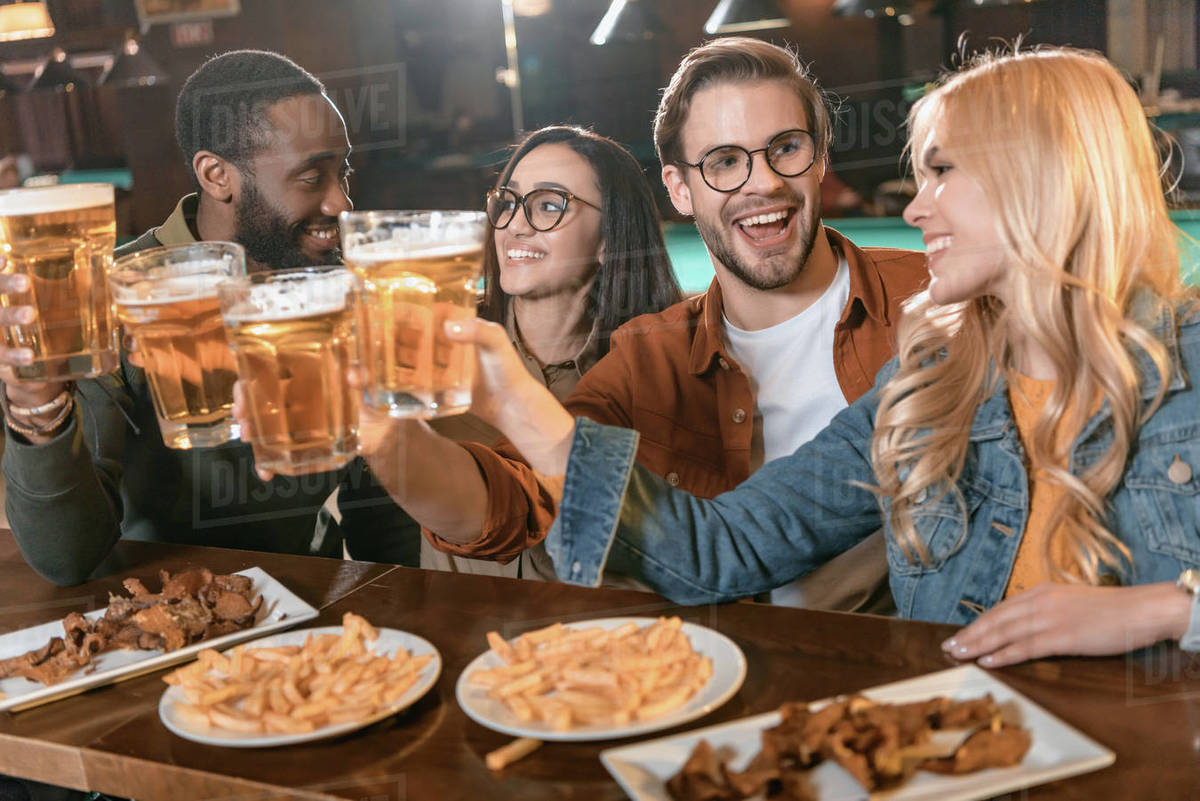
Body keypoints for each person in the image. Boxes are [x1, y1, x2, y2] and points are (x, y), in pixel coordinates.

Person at [462, 46, 1200, 665]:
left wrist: (1166, 611)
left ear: (1044, 176)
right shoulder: (931, 380)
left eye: (943, 171)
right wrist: (512, 400)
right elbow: (714, 549)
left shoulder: (1189, 358)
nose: (916, 208)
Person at [367, 38, 926, 610]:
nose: (763, 183)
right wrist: (384, 436)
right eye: (725, 161)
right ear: (680, 190)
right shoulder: (645, 356)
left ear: (821, 158)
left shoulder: (931, 300)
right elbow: (517, 502)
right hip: (733, 669)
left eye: (785, 148)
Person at [1, 50, 410, 586]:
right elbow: (66, 557)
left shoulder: (342, 285)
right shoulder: (118, 299)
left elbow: (384, 513)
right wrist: (37, 409)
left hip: (313, 606)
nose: (343, 202)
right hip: (154, 621)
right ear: (217, 175)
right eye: (313, 178)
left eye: (344, 171)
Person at [358, 124, 684, 575]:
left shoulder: (657, 372)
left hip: (593, 638)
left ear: (610, 239)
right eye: (508, 202)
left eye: (549, 205)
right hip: (460, 634)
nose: (516, 224)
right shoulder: (435, 344)